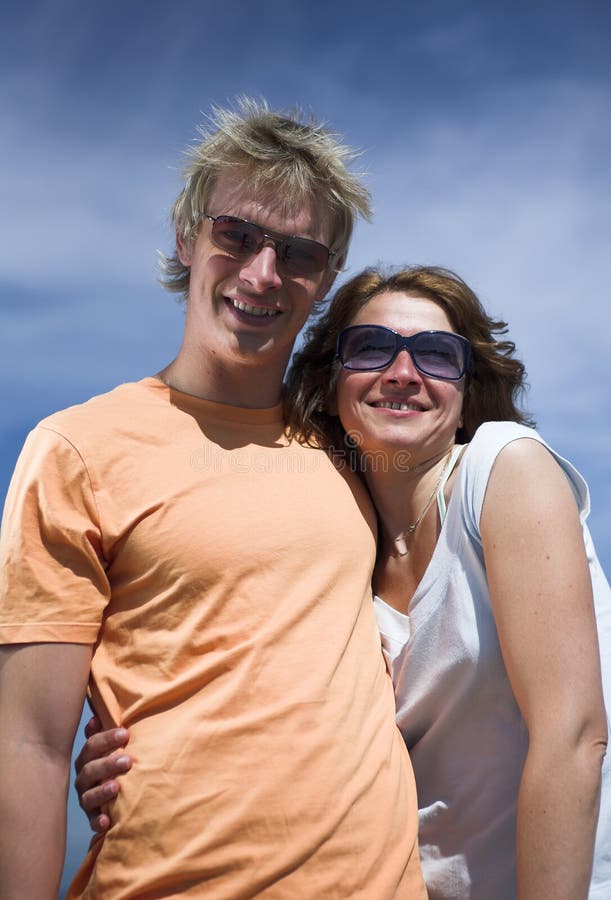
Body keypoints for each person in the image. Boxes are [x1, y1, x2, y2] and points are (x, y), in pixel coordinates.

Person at [0, 101, 427, 898]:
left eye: (298, 253)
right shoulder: (77, 450)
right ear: (187, 236)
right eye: (236, 235)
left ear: (324, 279)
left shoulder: (357, 449)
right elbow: (29, 744)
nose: (263, 274)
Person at [78, 265, 611, 899]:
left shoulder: (501, 470)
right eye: (372, 348)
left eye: (438, 355)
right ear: (331, 382)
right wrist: (137, 759)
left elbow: (575, 736)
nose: (404, 373)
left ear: (468, 388)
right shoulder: (344, 561)